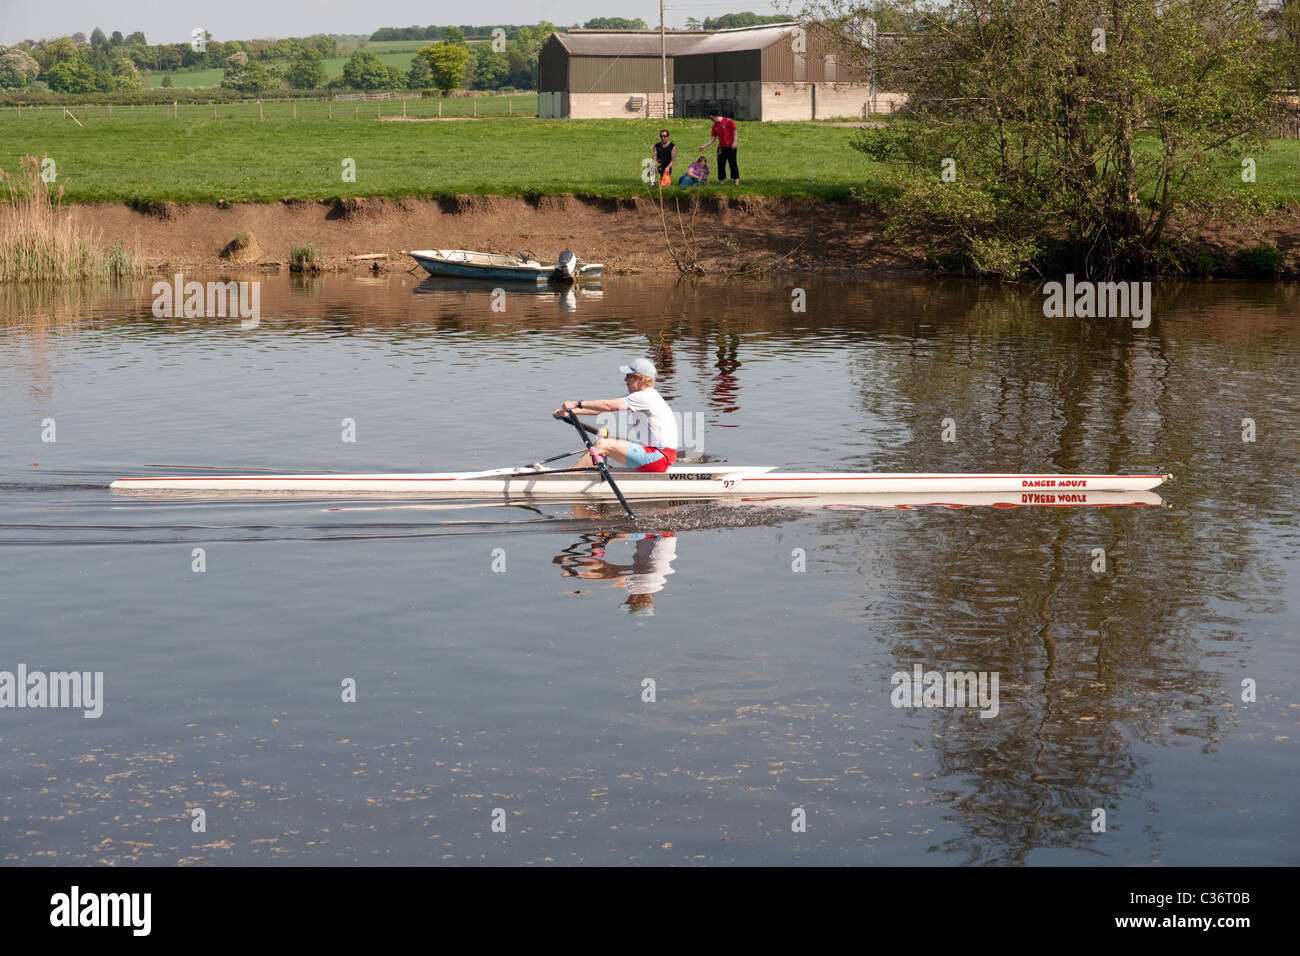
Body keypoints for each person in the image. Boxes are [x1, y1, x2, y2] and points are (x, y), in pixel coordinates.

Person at [554, 358, 679, 472]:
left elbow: (607, 406)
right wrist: (569, 413)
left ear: (642, 379)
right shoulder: (640, 396)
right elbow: (601, 410)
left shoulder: (644, 397)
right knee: (605, 440)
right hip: (659, 455)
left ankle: (566, 477)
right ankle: (584, 471)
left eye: (629, 376)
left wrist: (576, 403)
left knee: (603, 445)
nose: (625, 380)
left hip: (659, 458)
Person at [700, 110, 739, 185]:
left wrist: (735, 142)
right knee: (721, 164)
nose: (711, 120)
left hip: (731, 147)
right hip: (721, 148)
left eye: (712, 118)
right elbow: (713, 138)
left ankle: (736, 180)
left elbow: (735, 132)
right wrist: (704, 146)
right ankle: (721, 181)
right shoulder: (715, 126)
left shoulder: (728, 121)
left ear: (716, 116)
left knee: (733, 163)